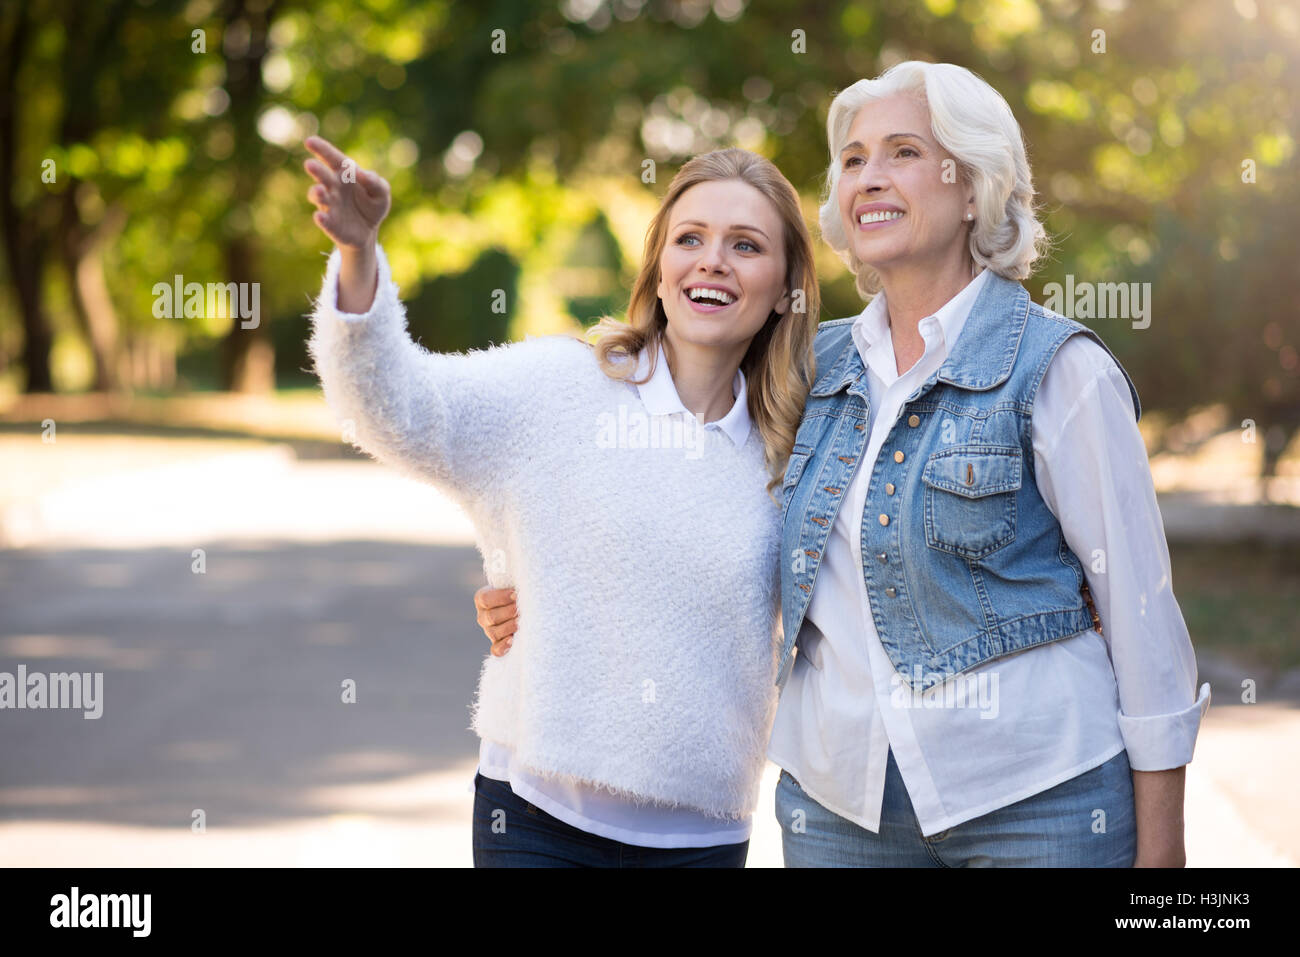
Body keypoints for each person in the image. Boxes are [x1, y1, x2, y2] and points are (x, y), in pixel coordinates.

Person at [477, 61, 1211, 868]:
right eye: (854, 158)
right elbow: (678, 489)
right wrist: (535, 581)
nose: (869, 176)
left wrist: (1163, 856)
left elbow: (1143, 624)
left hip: (1034, 796)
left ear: (975, 186)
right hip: (838, 812)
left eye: (902, 151)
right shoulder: (808, 374)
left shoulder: (1058, 370)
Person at [302, 135, 820, 867]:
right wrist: (359, 254)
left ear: (783, 286)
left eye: (746, 245)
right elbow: (391, 410)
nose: (713, 260)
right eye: (691, 238)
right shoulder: (560, 388)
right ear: (660, 268)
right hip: (536, 822)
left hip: (701, 839)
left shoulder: (797, 449)